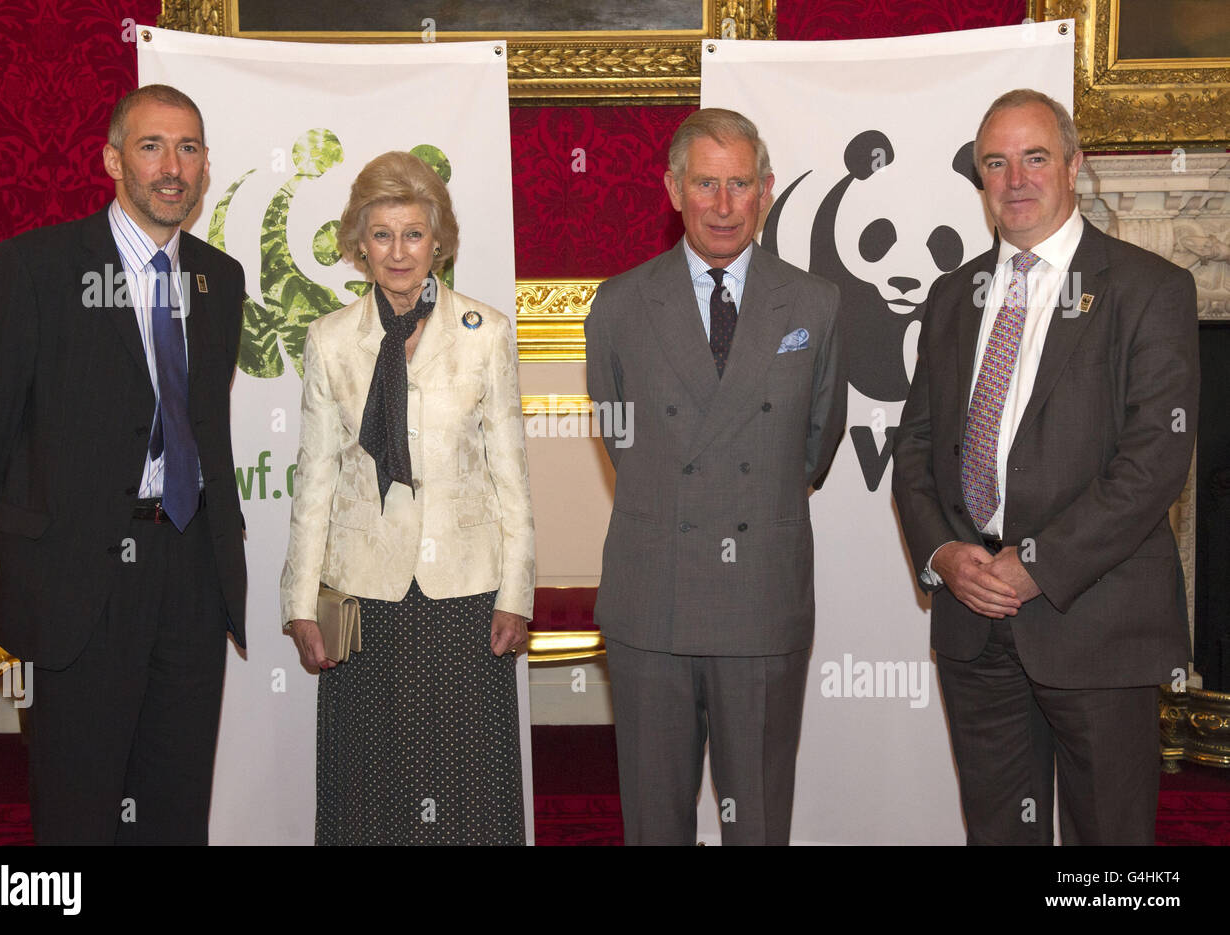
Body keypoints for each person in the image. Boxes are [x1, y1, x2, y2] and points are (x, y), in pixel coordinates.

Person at [892, 89, 1199, 845]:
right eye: (996, 163)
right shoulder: (951, 296)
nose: (1016, 179)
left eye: (1035, 158)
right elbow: (915, 452)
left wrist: (1036, 565)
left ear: (1073, 165)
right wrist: (942, 554)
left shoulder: (1148, 289)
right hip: (974, 626)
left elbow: (1153, 461)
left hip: (1094, 618)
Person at [0, 84, 248, 844]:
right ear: (114, 159)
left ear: (207, 168)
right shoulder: (37, 267)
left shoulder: (221, 279)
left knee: (175, 809)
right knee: (80, 811)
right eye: (151, 147)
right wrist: (32, 553)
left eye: (188, 149)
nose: (171, 166)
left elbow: (202, 420)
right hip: (80, 583)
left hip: (191, 571)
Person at [585, 108, 846, 845]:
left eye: (740, 184)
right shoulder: (620, 303)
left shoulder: (817, 304)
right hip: (652, 601)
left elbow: (815, 445)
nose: (724, 206)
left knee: (757, 823)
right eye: (706, 183)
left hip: (762, 600)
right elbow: (623, 436)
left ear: (765, 190)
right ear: (673, 188)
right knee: (654, 823)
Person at [280, 151, 534, 845]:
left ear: (439, 242)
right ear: (359, 245)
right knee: (365, 785)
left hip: (466, 592)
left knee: (465, 786)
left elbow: (510, 476)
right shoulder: (330, 339)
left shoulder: (486, 334)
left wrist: (518, 592)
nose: (399, 252)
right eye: (383, 234)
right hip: (356, 593)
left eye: (414, 234)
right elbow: (316, 481)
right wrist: (302, 603)